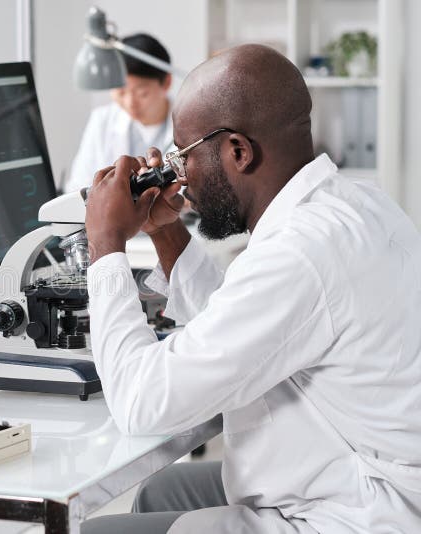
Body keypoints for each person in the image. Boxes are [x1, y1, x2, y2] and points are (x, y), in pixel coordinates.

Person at [82, 44, 421, 534]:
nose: (178, 173)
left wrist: (105, 242)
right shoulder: (355, 204)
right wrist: (164, 230)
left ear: (238, 151)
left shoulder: (301, 254)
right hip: (358, 468)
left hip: (360, 513)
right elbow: (245, 325)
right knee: (160, 490)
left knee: (93, 531)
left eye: (184, 154)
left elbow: (141, 403)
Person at [64, 33, 174, 193]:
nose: (130, 104)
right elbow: (78, 186)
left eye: (142, 93)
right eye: (121, 92)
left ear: (167, 82)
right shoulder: (102, 121)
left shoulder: (190, 123)